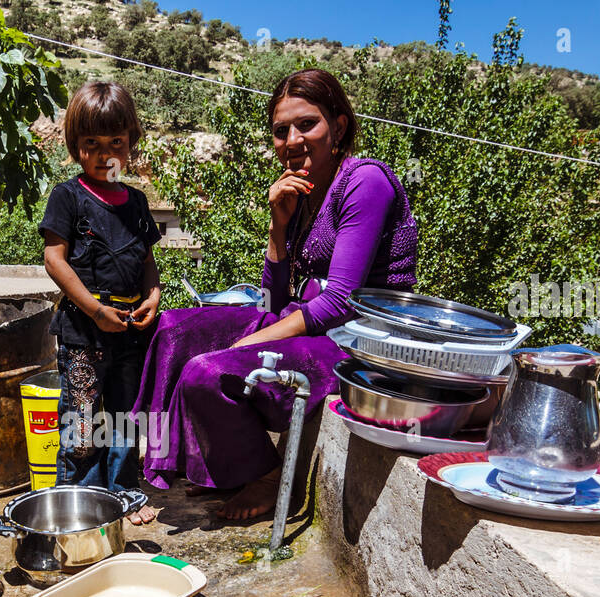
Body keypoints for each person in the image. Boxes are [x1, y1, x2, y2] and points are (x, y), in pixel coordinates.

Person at [135, 69, 419, 519]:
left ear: (339, 126)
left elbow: (340, 302)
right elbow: (274, 301)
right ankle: (203, 464)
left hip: (357, 341)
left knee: (209, 370)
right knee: (173, 329)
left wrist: (248, 343)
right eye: (281, 130)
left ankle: (265, 477)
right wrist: (278, 225)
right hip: (310, 323)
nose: (292, 140)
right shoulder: (303, 191)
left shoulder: (365, 182)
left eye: (307, 124)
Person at [39, 80, 162, 525]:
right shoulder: (68, 197)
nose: (104, 154)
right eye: (92, 143)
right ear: (75, 145)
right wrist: (94, 310)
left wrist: (153, 295)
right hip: (84, 332)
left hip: (130, 330)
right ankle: (80, 498)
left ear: (131, 143)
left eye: (116, 143)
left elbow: (147, 260)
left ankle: (124, 492)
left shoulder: (138, 203)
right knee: (83, 420)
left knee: (126, 416)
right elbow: (54, 259)